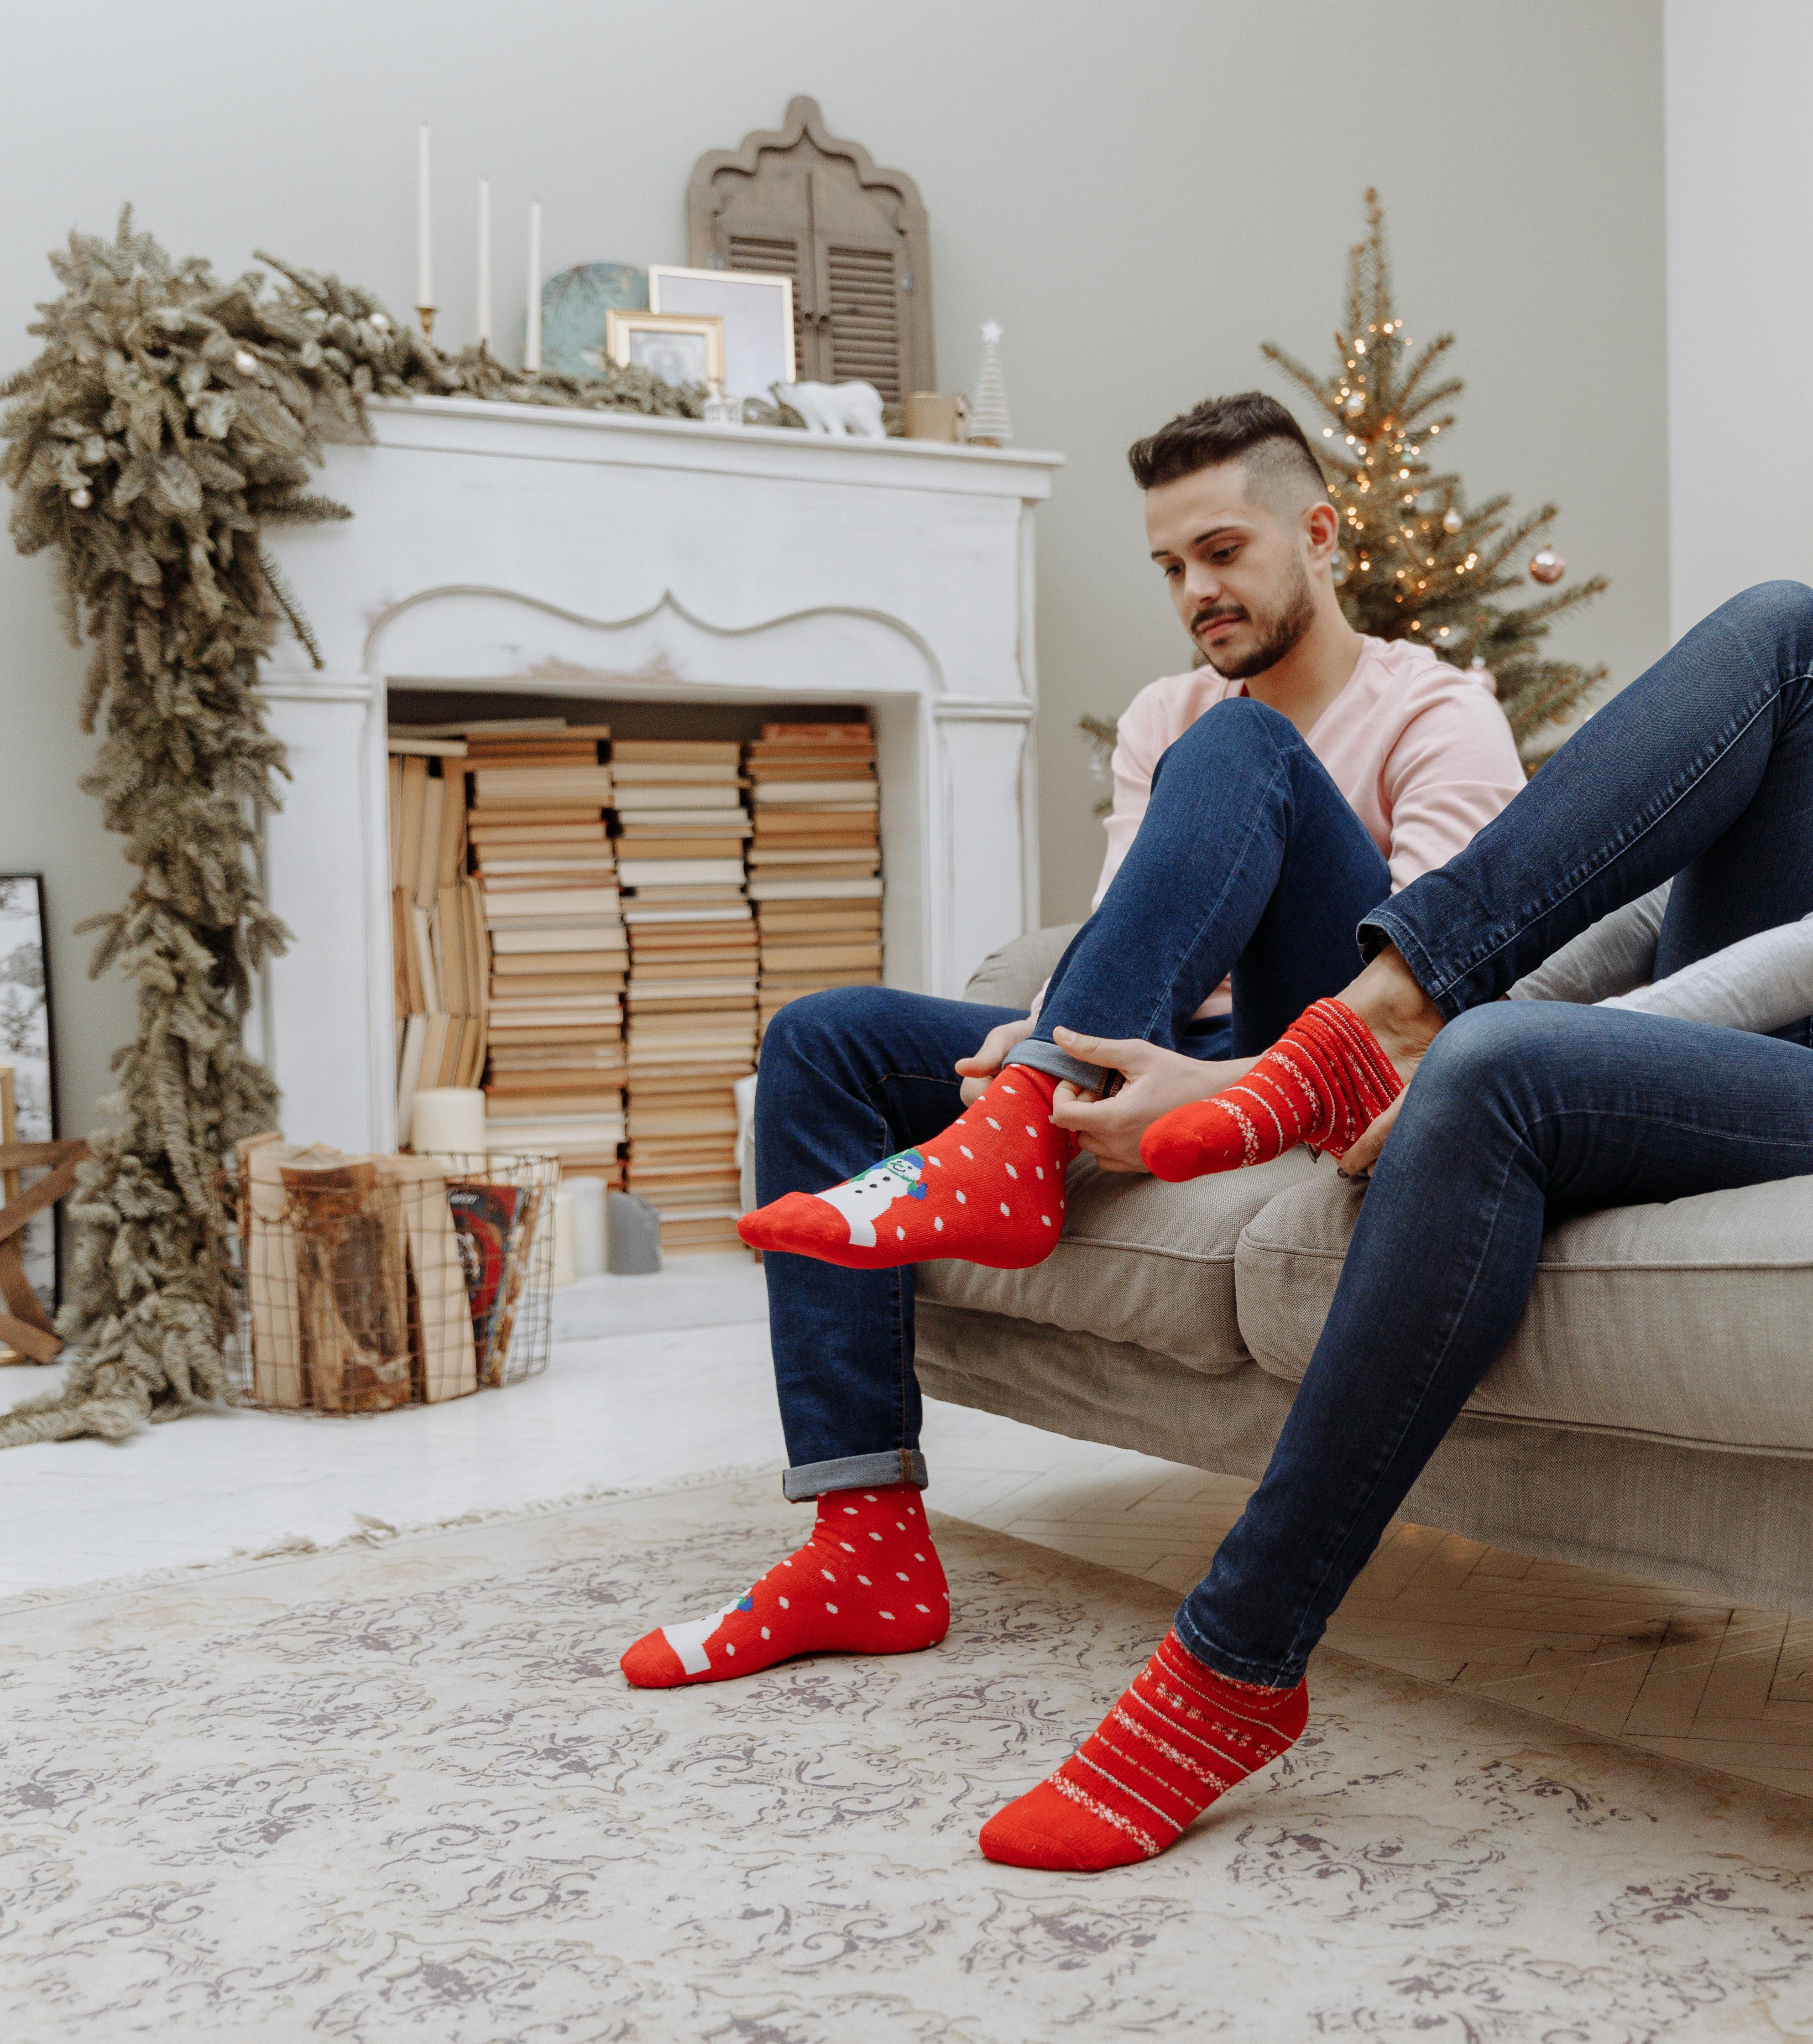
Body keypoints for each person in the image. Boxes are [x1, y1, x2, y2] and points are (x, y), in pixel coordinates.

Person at [974, 238, 1813, 1870]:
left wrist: (1498, 1048)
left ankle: (1229, 1666)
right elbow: (1659, 904)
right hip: (1808, 1034)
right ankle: (1370, 1023)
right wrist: (1439, 1010)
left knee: (1513, 1067)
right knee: (1784, 633)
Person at [617, 392, 1522, 1691]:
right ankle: (862, 1542)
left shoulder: (1437, 715)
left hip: (1325, 1047)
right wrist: (1042, 1042)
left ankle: (1016, 1128)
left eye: (1223, 552)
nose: (1195, 592)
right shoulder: (1165, 714)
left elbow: (1434, 1000)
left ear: (1317, 533)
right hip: (1149, 1042)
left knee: (1250, 747)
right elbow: (1139, 945)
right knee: (825, 1041)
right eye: (1169, 567)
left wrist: (1163, 1072)